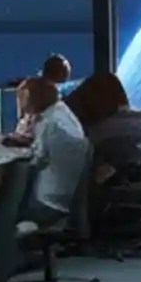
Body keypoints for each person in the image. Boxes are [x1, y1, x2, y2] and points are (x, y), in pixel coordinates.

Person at [19, 77, 90, 226]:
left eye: (23, 98)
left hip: (47, 203)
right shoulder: (63, 113)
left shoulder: (47, 122)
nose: (21, 104)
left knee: (4, 207)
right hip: (66, 197)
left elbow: (34, 161)